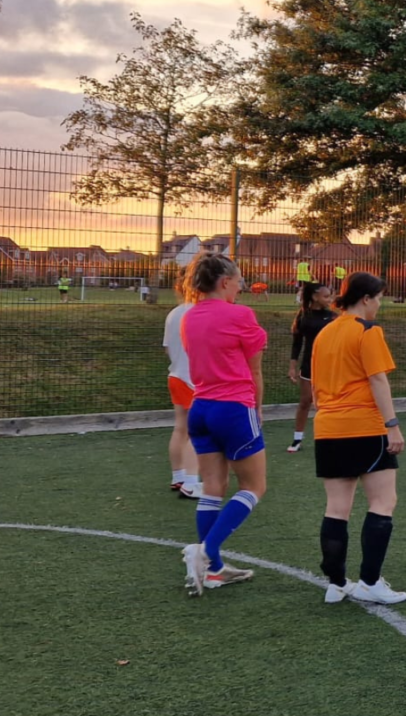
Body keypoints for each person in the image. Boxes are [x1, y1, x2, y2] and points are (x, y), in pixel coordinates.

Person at [311, 272, 406, 604]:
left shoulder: (325, 332)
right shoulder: (367, 331)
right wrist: (391, 424)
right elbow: (378, 380)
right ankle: (370, 583)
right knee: (383, 503)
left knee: (337, 507)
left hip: (328, 428)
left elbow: (314, 387)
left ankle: (336, 584)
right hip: (364, 426)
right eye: (379, 298)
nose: (379, 305)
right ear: (365, 299)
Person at [179, 254, 268, 595]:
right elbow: (255, 370)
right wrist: (257, 409)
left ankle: (214, 570)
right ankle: (206, 552)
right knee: (254, 487)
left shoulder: (189, 317)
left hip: (200, 408)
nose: (242, 286)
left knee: (213, 487)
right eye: (239, 280)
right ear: (224, 282)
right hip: (233, 408)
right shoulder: (241, 314)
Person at [162, 275, 201, 499]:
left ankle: (178, 477)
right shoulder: (200, 312)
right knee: (196, 431)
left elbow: (167, 347)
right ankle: (190, 482)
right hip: (195, 380)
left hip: (176, 375)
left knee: (180, 428)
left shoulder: (174, 313)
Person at [288, 282, 336, 454]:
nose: (329, 299)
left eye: (330, 296)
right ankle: (297, 439)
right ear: (315, 297)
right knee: (305, 401)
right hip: (309, 366)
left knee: (328, 403)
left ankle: (330, 439)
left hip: (329, 366)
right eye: (326, 296)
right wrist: (292, 366)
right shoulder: (303, 316)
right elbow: (297, 343)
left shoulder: (333, 317)